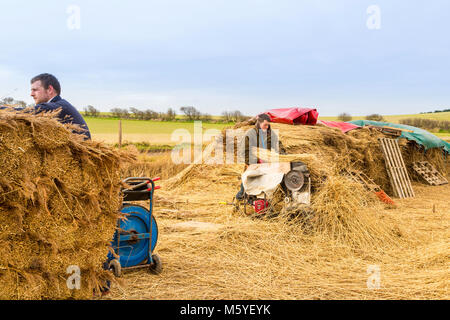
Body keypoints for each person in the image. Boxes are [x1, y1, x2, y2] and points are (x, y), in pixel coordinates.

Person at [235, 113, 284, 200]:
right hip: (253, 163)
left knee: (265, 182)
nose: (266, 127)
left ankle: (262, 199)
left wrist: (282, 155)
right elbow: (243, 152)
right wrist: (251, 162)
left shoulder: (270, 133)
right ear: (259, 123)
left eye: (268, 125)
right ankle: (240, 197)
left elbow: (278, 145)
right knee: (248, 182)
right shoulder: (249, 134)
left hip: (266, 163)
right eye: (265, 125)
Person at [30, 73, 91, 140]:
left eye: (35, 90)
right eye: (31, 90)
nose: (31, 94)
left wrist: (16, 112)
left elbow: (35, 110)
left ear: (50, 89)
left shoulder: (59, 106)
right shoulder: (60, 105)